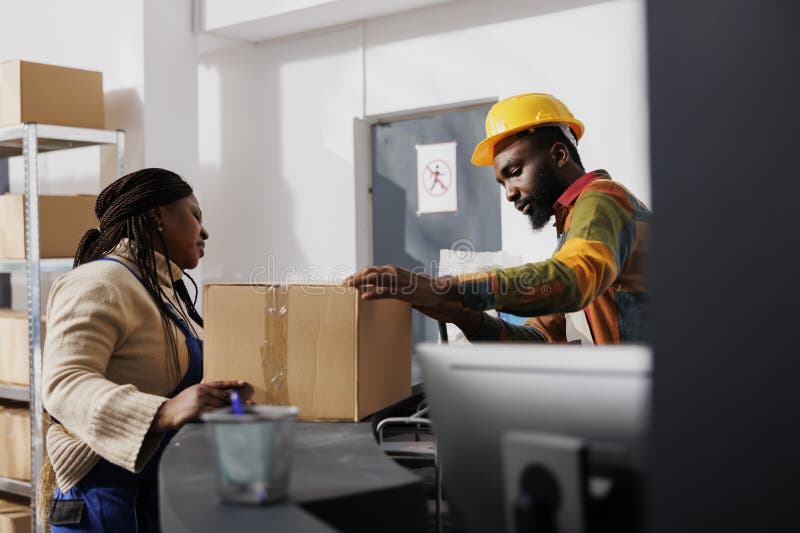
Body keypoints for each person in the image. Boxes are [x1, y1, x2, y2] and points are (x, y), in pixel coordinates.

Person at [345, 93, 650, 344]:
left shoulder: (603, 199)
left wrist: (451, 289)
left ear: (558, 156)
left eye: (514, 173)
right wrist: (461, 314)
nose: (510, 194)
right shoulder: (575, 233)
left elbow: (572, 279)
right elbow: (540, 340)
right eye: (502, 184)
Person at [39, 168, 248, 532]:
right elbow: (64, 384)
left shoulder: (167, 291)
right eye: (195, 215)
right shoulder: (99, 282)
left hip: (152, 497)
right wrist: (163, 411)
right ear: (157, 214)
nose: (205, 231)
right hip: (103, 503)